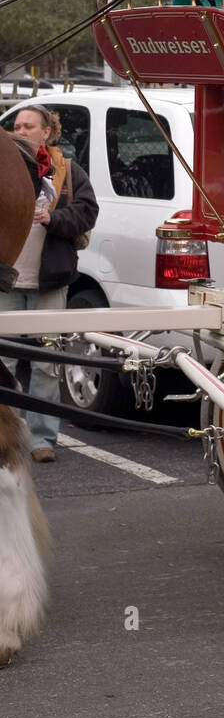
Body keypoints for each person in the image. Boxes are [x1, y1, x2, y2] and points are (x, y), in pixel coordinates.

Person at [0, 105, 99, 462]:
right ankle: (6, 438)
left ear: (47, 132)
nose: (20, 130)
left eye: (28, 126)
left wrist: (53, 218)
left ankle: (43, 440)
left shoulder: (67, 171)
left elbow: (88, 212)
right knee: (4, 363)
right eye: (16, 125)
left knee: (44, 365)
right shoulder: (3, 167)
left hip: (49, 280)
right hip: (6, 281)